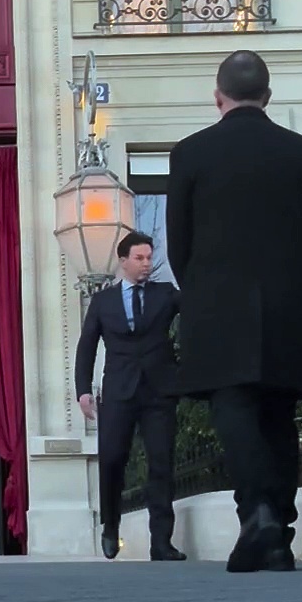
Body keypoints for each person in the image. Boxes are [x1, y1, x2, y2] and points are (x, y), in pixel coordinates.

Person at [166, 49, 302, 574]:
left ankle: (257, 513)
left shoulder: (190, 154)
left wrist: (200, 288)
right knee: (279, 411)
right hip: (287, 300)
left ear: (218, 98)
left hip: (218, 302)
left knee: (232, 406)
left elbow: (178, 242)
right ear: (268, 96)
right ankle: (277, 528)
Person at [74, 230, 184, 562]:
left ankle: (161, 543)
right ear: (123, 261)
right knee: (111, 460)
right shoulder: (103, 301)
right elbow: (86, 348)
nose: (146, 263)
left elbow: (199, 310)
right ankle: (111, 525)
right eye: (139, 258)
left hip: (159, 391)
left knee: (161, 464)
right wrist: (82, 391)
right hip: (119, 392)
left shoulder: (166, 294)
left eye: (149, 257)